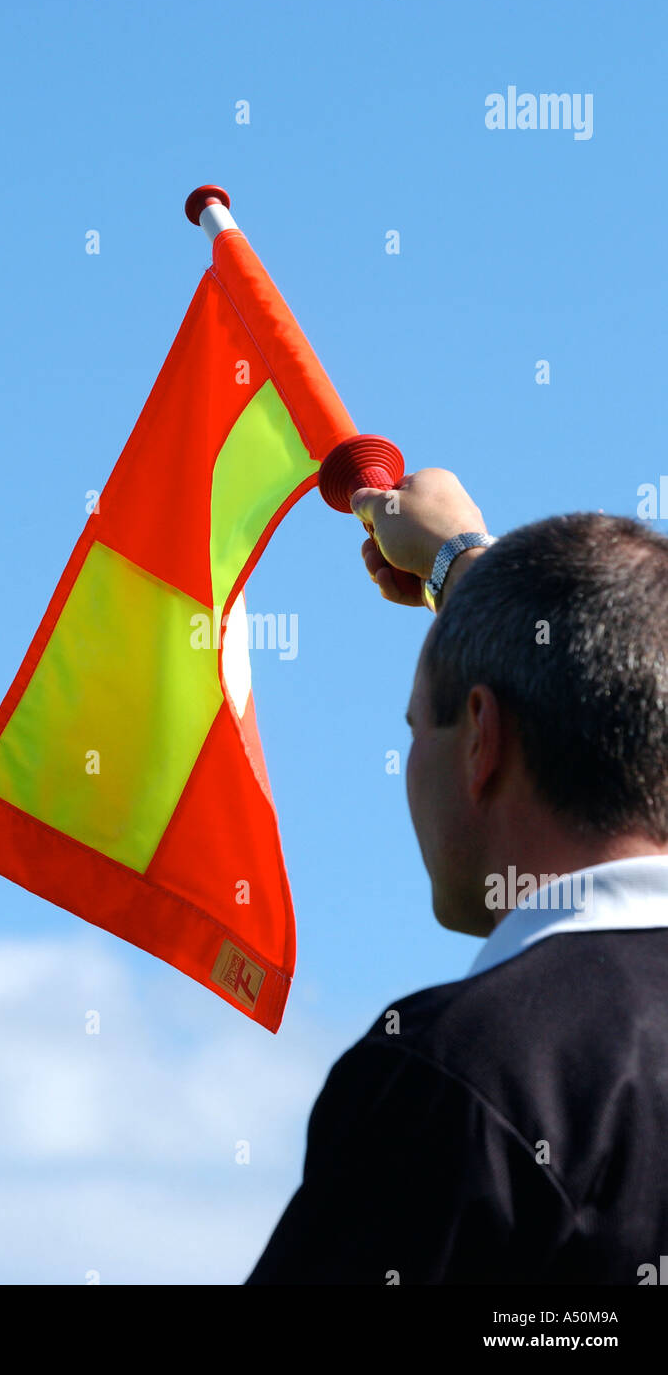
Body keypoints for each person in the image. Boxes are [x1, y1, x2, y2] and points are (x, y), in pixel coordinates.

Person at [245, 469, 668, 1285]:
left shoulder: (459, 1074)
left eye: (414, 729)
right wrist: (461, 566)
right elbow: (616, 677)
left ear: (480, 737)